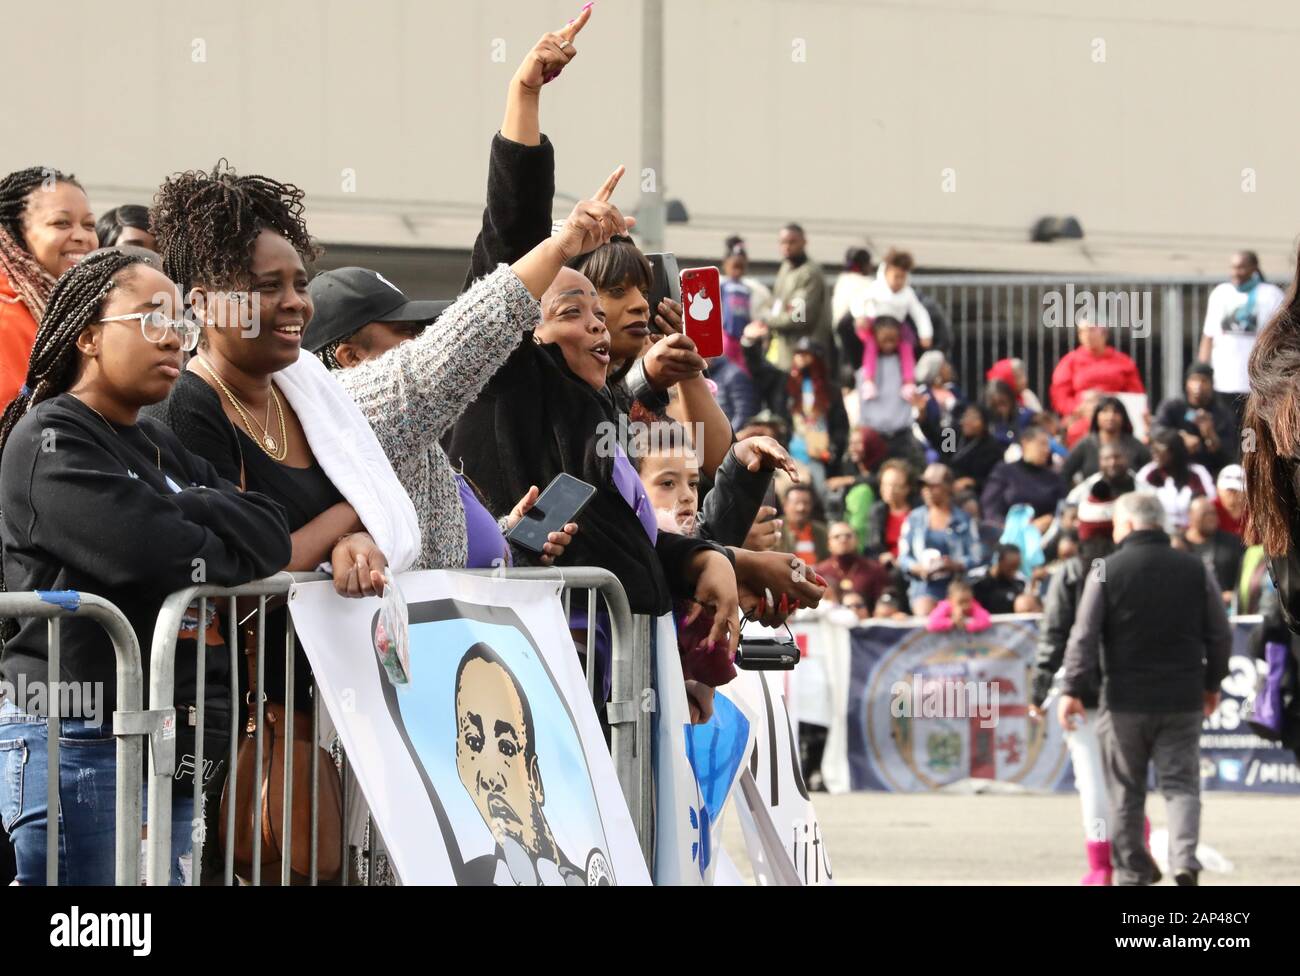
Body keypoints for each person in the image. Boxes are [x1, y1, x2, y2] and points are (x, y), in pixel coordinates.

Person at [0, 250, 292, 885]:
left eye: (182, 325)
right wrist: (201, 512)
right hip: (79, 732)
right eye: (152, 319)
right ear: (87, 336)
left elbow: (271, 533)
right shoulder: (49, 438)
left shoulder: (160, 446)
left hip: (168, 738)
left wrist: (186, 503)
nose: (177, 340)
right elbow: (145, 551)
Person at [1059, 492, 1231, 886]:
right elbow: (1220, 634)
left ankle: (1133, 869)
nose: (1114, 532)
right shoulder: (1195, 568)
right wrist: (1212, 683)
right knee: (1181, 786)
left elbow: (1083, 637)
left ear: (1132, 524)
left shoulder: (1104, 568)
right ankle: (1184, 861)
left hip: (1123, 703)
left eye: (1117, 524)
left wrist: (1070, 686)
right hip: (1182, 699)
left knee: (1126, 792)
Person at [1030, 499, 1121, 885]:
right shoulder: (1129, 568)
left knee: (1091, 781)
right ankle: (1136, 844)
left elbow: (1053, 636)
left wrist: (1038, 690)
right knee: (1125, 778)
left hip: (1080, 691)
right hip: (1128, 690)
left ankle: (1101, 865)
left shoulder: (1070, 572)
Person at [454, 643, 597, 885]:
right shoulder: (463, 876)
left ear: (535, 778)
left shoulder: (587, 877)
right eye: (473, 742)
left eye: (506, 748)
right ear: (459, 759)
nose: (490, 778)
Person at [0, 166, 97, 407]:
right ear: (14, 234)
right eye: (61, 223)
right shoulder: (5, 318)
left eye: (89, 225)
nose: (81, 236)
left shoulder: (84, 310)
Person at [1200, 250, 1284, 430]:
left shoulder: (1271, 295)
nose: (1235, 272)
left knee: (1252, 432)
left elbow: (1280, 338)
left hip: (1257, 382)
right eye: (1233, 267)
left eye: (1241, 267)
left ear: (1253, 268)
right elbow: (1208, 335)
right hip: (1223, 380)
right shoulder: (1220, 293)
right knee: (1227, 431)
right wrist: (1201, 370)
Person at [898, 464, 987, 616]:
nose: (927, 490)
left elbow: (977, 556)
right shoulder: (914, 518)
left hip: (957, 585)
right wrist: (919, 568)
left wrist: (955, 564)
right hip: (924, 584)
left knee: (959, 610)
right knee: (925, 611)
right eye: (924, 486)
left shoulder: (964, 520)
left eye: (933, 486)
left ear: (948, 488)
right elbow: (903, 557)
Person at [850, 248, 933, 395]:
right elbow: (858, 301)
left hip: (897, 329)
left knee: (907, 347)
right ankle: (869, 380)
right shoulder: (876, 288)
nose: (899, 281)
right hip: (874, 327)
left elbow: (919, 313)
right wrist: (860, 316)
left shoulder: (908, 294)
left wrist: (925, 334)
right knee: (871, 346)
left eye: (902, 277)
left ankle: (908, 383)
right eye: (896, 277)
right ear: (886, 273)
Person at [750, 223, 832, 370]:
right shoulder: (786, 267)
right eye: (783, 242)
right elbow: (775, 303)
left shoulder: (809, 273)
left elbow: (797, 318)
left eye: (792, 242)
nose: (787, 246)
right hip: (780, 353)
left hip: (802, 356)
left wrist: (767, 319)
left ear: (804, 242)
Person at [786, 338, 848, 498]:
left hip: (819, 455)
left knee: (822, 493)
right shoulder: (788, 386)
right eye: (798, 354)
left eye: (806, 355)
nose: (801, 359)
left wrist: (833, 450)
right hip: (791, 454)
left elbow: (841, 426)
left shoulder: (831, 390)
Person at [857, 317, 923, 466]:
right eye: (884, 339)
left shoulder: (908, 369)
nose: (888, 344)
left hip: (902, 434)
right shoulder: (864, 371)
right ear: (875, 338)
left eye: (893, 339)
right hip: (874, 435)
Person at [1049, 321, 1145, 421]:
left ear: (1104, 333)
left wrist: (1107, 400)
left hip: (1115, 417)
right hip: (1081, 417)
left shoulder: (1124, 362)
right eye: (1082, 331)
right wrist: (1079, 407)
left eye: (1091, 330)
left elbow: (1135, 396)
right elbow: (1059, 396)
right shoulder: (1069, 361)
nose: (1087, 335)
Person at [1152, 362, 1236, 474]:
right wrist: (1180, 438)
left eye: (1204, 381)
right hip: (1175, 469)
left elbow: (1231, 452)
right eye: (1194, 380)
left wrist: (1211, 436)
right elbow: (1157, 430)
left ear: (1211, 384)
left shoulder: (1222, 413)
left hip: (1210, 472)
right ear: (1186, 383)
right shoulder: (1173, 406)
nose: (1198, 386)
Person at [980, 426, 1068, 530]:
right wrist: (1007, 529)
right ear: (1025, 443)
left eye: (1048, 445)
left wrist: (1050, 519)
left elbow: (1063, 508)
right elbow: (990, 506)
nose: (1047, 450)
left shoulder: (1054, 478)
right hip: (1006, 532)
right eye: (1042, 444)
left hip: (1045, 533)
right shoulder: (1004, 471)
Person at [1135, 428, 1216, 533]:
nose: (1155, 454)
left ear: (1176, 451)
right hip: (1160, 533)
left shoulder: (1198, 472)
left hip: (1194, 532)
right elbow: (1142, 509)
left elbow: (1210, 500)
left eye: (1160, 450)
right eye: (1153, 450)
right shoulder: (1147, 474)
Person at [1061, 395, 1150, 486]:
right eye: (1105, 411)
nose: (1110, 416)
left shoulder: (1135, 445)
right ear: (1096, 416)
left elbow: (1151, 471)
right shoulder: (1086, 444)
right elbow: (1065, 472)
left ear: (1123, 417)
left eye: (1116, 412)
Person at [1181, 496, 1243, 607]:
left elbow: (1245, 576)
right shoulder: (1179, 546)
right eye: (1205, 514)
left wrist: (1235, 594)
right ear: (1190, 516)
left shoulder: (1232, 543)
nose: (1211, 518)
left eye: (1213, 513)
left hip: (1227, 609)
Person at [814, 522, 888, 610]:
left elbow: (883, 605)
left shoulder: (875, 570)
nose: (843, 540)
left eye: (848, 536)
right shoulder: (819, 572)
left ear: (857, 541)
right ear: (828, 544)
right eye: (837, 537)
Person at [947, 403, 1006, 492]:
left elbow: (995, 479)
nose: (967, 421)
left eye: (973, 418)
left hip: (972, 492)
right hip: (946, 484)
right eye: (966, 416)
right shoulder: (953, 435)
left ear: (984, 424)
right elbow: (944, 455)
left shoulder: (992, 448)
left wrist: (973, 482)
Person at [969, 544, 1039, 614]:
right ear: (999, 562)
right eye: (1011, 566)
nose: (1014, 571)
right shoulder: (977, 579)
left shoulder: (1020, 582)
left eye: (1017, 566)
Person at [778, 482, 828, 565]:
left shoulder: (822, 532)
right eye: (796, 502)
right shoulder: (774, 530)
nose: (801, 508)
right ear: (785, 505)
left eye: (806, 503)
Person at [925, 580, 991, 633]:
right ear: (950, 600)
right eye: (961, 602)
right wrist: (952, 622)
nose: (965, 605)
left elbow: (985, 620)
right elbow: (931, 624)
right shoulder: (945, 606)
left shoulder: (974, 605)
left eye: (967, 601)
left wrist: (966, 626)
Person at [984, 379, 1035, 447]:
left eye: (1003, 403)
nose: (1000, 409)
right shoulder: (990, 423)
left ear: (1010, 398)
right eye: (995, 406)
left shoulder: (1027, 416)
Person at [831, 245, 872, 329]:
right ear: (865, 265)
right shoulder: (866, 282)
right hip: (852, 332)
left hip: (837, 331)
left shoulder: (842, 279)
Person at [1214, 463, 1244, 536]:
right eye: (1228, 489)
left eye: (1236, 490)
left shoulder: (1256, 512)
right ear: (1218, 490)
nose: (1232, 493)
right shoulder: (1209, 509)